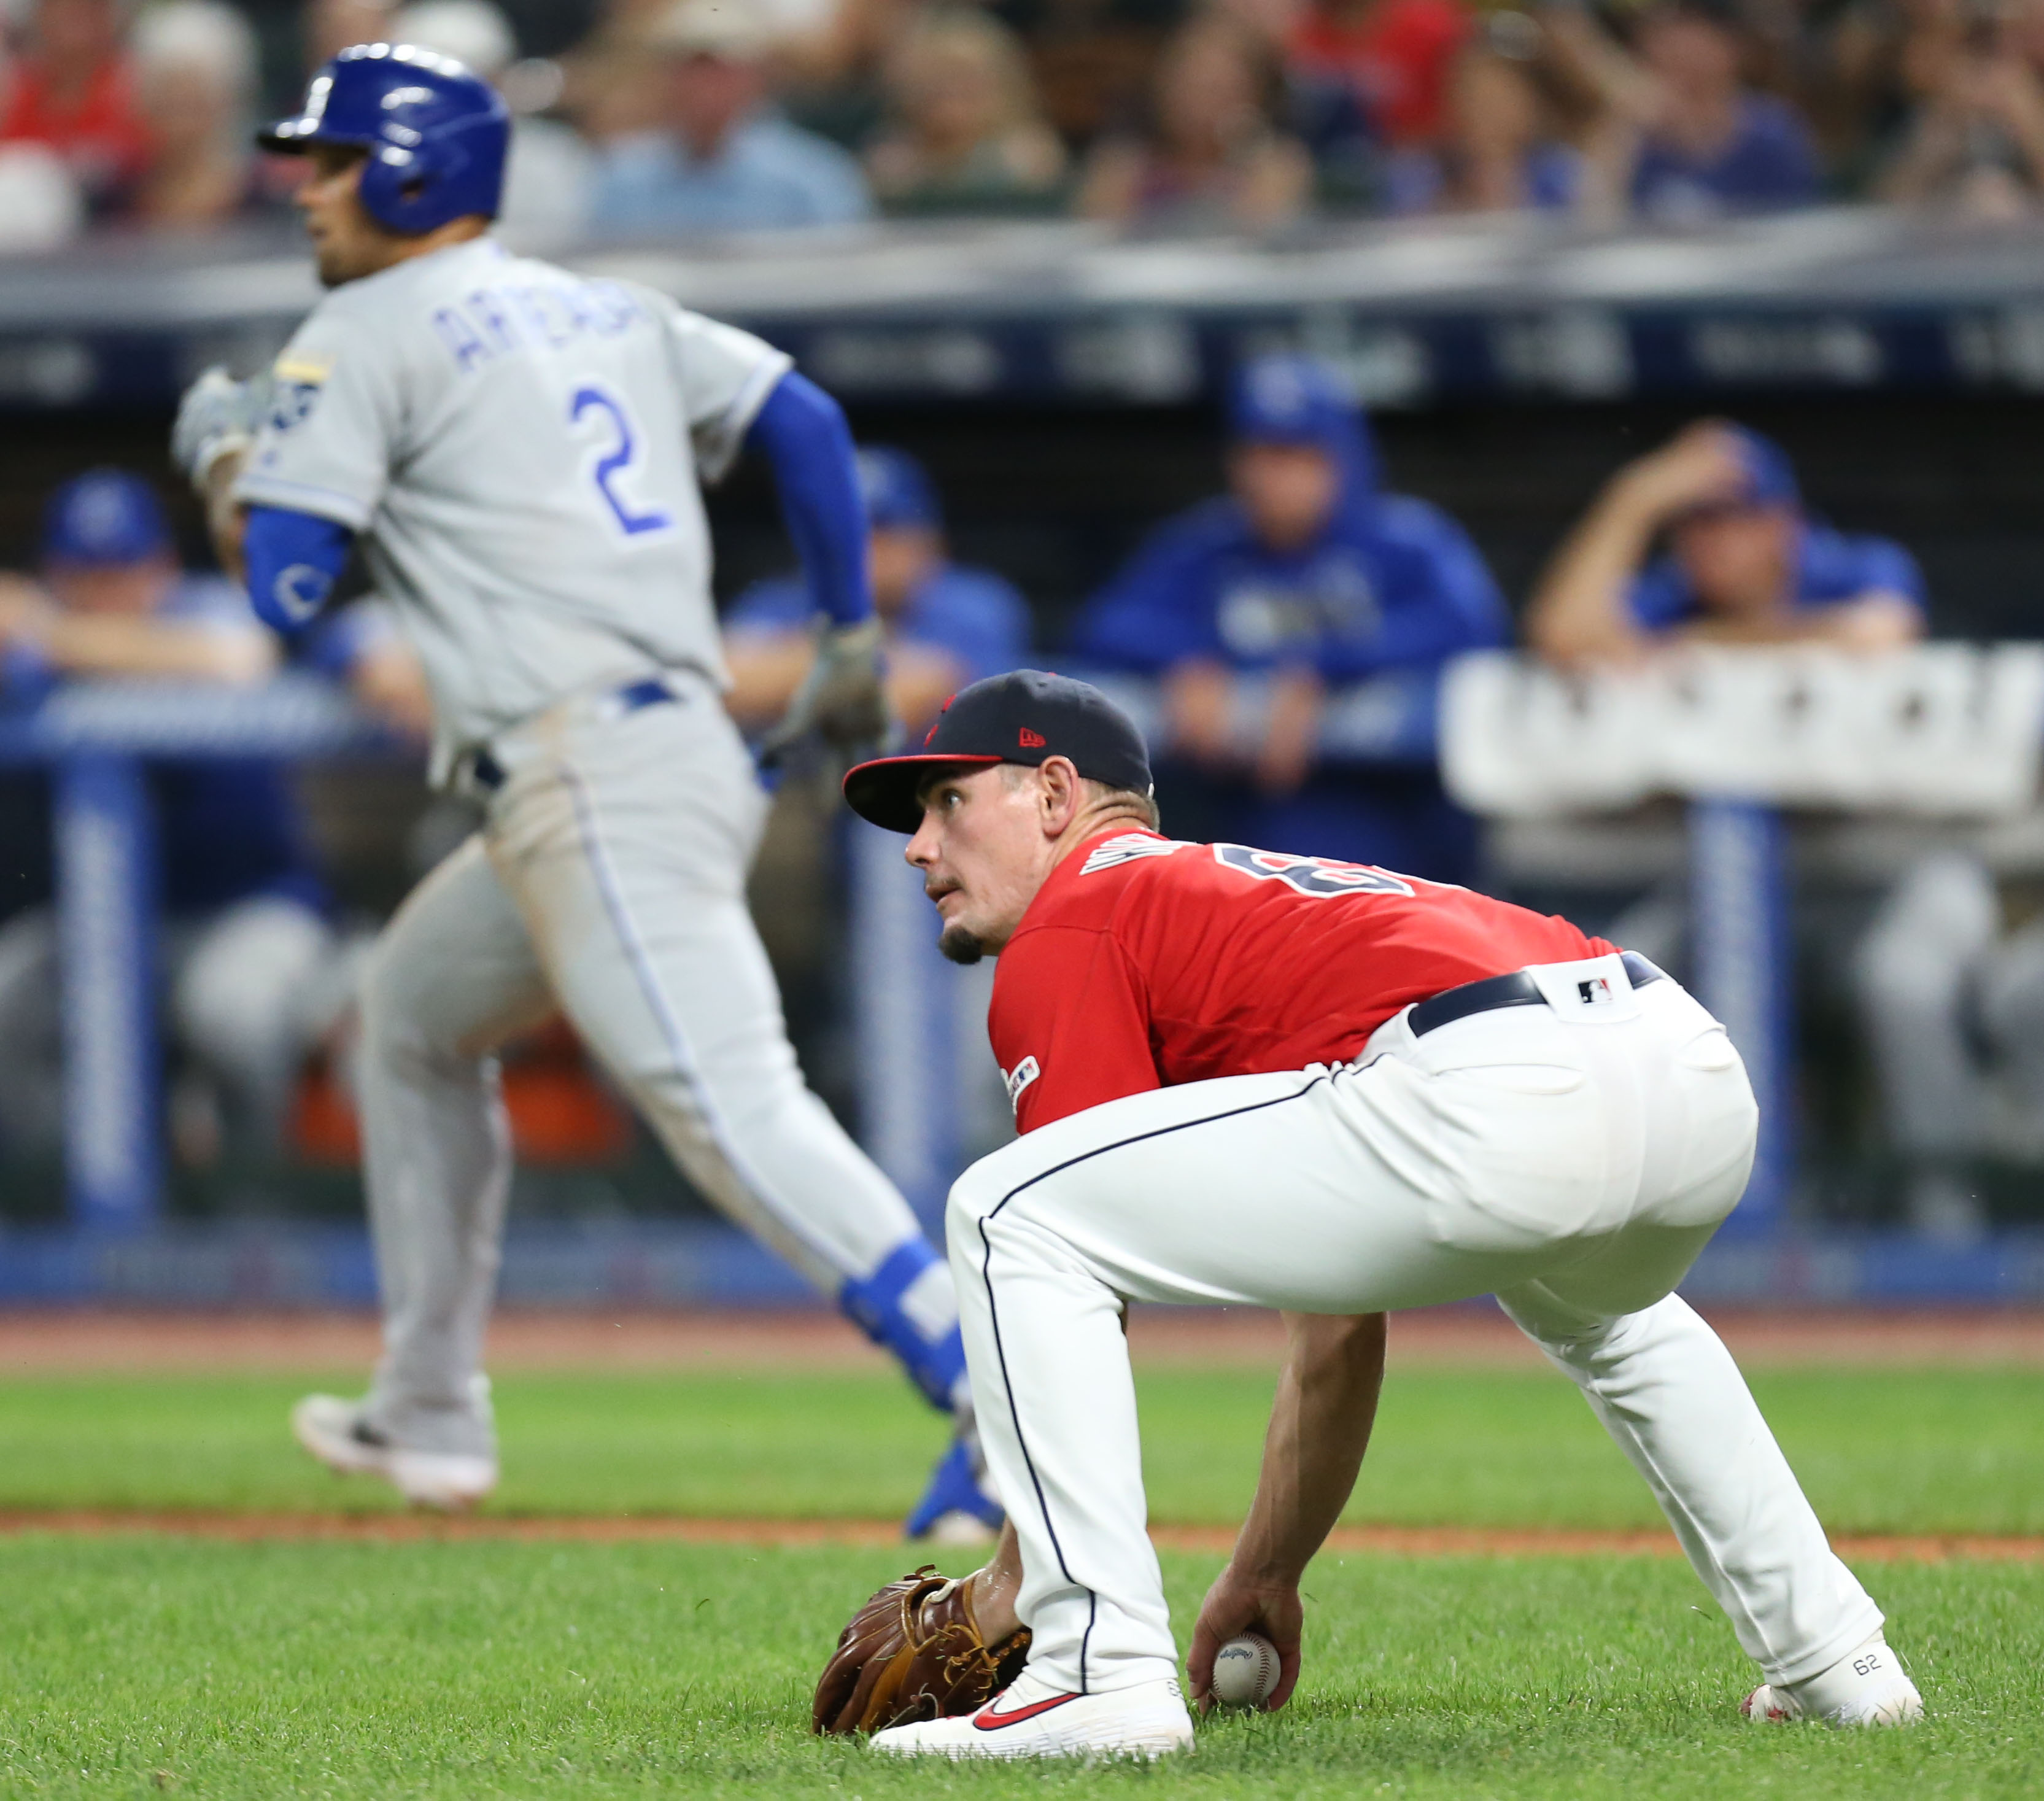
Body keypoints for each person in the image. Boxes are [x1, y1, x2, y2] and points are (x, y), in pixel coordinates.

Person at [168, 42, 996, 1538]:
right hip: (620, 759)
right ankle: (425, 1402)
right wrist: (845, 632)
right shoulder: (602, 303)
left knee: (728, 1103)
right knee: (413, 1021)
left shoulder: (359, 325)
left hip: (587, 769)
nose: (309, 187)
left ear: (414, 172)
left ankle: (990, 1392)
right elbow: (801, 418)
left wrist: (230, 456)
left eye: (337, 160)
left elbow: (286, 585)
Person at [824, 668, 1923, 1757]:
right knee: (1610, 1315)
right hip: (1681, 1063)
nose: (918, 843)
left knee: (1005, 1209)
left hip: (1489, 1077)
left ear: (1056, 795)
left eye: (948, 800)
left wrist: (1015, 1577)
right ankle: (1837, 1661)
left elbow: (1071, 1273)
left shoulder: (1079, 918)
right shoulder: (1229, 898)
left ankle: (1093, 1669)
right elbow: (1338, 1309)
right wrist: (1265, 1570)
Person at [0, 470, 344, 1163]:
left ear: (159, 564)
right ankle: (55, 1198)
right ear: (54, 572)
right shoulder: (33, 646)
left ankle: (255, 1193)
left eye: (124, 569)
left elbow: (240, 660)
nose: (108, 591)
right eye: (85, 572)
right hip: (99, 922)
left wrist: (52, 630)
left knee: (233, 1014)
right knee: (9, 1003)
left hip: (247, 907)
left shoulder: (205, 610)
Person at [1074, 354, 1507, 885]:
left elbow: (1473, 627)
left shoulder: (1408, 542)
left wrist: (1321, 670)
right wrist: (1189, 662)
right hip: (1250, 842)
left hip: (1404, 841)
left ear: (1344, 458)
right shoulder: (1206, 547)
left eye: (1293, 455)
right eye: (1254, 454)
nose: (1267, 476)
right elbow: (1104, 625)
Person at [1524, 419, 1925, 665]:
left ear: (1782, 524)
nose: (1708, 542)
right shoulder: (1676, 590)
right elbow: (1563, 638)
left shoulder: (1853, 564)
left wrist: (1691, 644)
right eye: (1691, 522)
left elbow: (1877, 636)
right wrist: (1632, 500)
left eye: (1728, 520)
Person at [726, 445, 1032, 737]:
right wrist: (871, 664)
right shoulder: (777, 599)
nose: (863, 550)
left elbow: (907, 704)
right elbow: (726, 689)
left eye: (884, 532)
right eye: (847, 531)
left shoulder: (975, 602)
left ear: (929, 539)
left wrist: (798, 663)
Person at [589, 0, 873, 236]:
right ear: (665, 78)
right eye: (691, 70)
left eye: (722, 72)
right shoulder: (623, 178)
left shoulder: (814, 177)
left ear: (756, 77)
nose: (705, 86)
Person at [1076, 15, 1313, 233]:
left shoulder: (1276, 166)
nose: (1198, 105)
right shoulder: (1120, 165)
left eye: (1217, 90)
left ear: (1254, 96)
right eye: (1188, 87)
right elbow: (1098, 236)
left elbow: (1263, 233)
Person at [1621, 0, 1819, 219]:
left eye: (1696, 41)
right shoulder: (1635, 130)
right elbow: (1600, 216)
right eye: (1667, 41)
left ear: (1731, 47)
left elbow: (1797, 221)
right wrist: (1624, 130)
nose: (1680, 53)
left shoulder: (1772, 135)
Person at [863, 10, 1066, 215]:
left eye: (965, 80)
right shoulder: (892, 162)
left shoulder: (1026, 158)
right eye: (936, 81)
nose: (950, 94)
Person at [128, 0, 271, 230]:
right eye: (168, 101)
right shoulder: (115, 199)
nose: (180, 122)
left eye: (192, 104)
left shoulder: (263, 199)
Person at [0, 0, 152, 214]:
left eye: (89, 9)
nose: (75, 20)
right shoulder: (16, 94)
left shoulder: (135, 92)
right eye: (63, 8)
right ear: (41, 16)